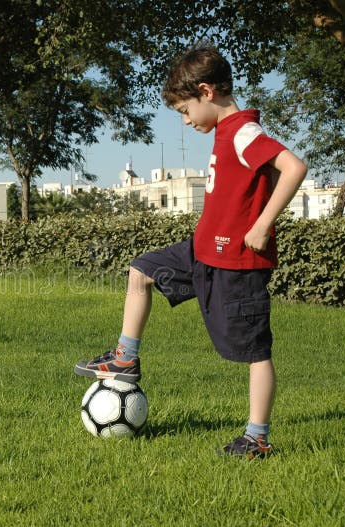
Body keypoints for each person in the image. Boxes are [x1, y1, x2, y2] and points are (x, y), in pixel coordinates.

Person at [74, 44, 307, 459]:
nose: (184, 121)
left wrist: (261, 225)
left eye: (185, 110)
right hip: (202, 252)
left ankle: (256, 439)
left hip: (237, 264)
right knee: (141, 271)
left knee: (256, 352)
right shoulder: (225, 130)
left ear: (206, 91)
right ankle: (125, 359)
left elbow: (294, 167)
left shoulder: (243, 132)